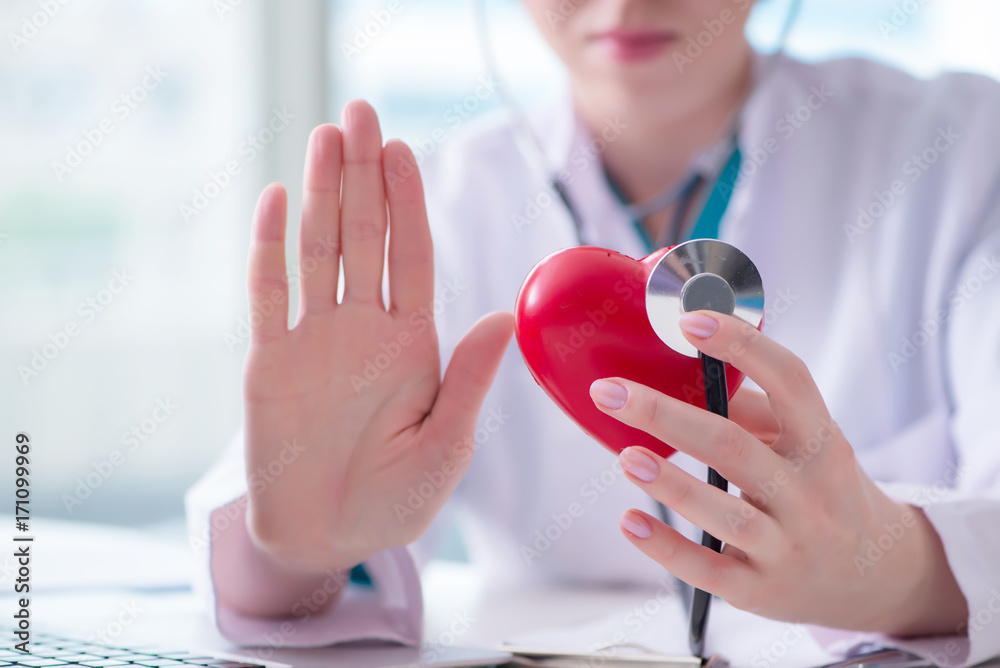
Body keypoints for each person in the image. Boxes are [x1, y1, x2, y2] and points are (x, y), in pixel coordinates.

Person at [185, 0, 1000, 664]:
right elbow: (281, 549)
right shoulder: (434, 211)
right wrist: (298, 555)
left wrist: (892, 571)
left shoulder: (966, 152)